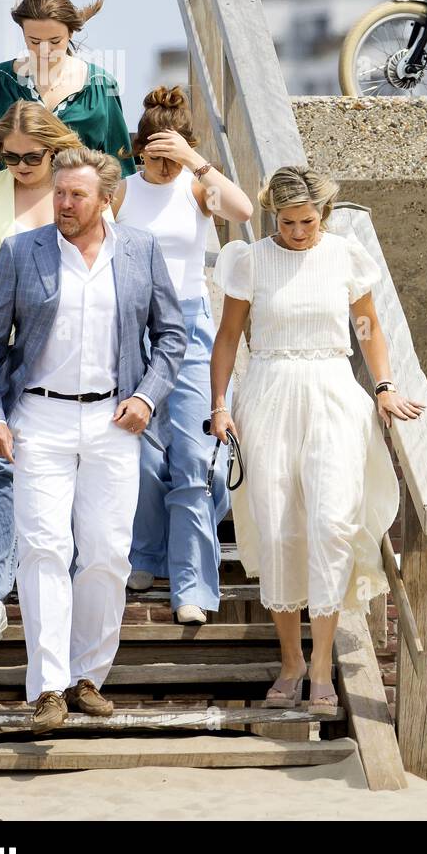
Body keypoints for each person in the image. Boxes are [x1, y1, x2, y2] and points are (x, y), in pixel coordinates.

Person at [0, 146, 186, 732]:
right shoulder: (22, 251)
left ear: (106, 199)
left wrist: (146, 396)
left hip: (115, 423)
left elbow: (172, 337)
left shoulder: (140, 251)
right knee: (43, 550)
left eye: (76, 195)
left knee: (108, 552)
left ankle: (89, 676)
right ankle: (49, 688)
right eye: (59, 192)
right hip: (38, 421)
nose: (63, 203)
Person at [210, 165, 424, 714]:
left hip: (332, 393)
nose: (298, 231)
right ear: (271, 215)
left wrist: (383, 386)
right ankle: (291, 662)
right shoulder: (252, 259)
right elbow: (229, 336)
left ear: (323, 216)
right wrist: (219, 405)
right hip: (268, 396)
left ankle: (324, 666)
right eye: (287, 221)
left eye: (307, 221)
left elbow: (369, 329)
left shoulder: (344, 255)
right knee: (280, 530)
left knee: (330, 525)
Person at [0, 102, 108, 647]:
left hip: (70, 356)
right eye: (7, 156)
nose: (17, 165)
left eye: (30, 156)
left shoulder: (77, 192)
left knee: (73, 478)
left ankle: (62, 597)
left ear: (55, 147)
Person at [112, 86, 253, 625]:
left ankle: (192, 583)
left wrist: (197, 162)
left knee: (194, 456)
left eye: (174, 154)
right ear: (139, 149)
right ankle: (145, 555)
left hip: (190, 324)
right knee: (144, 454)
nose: (165, 166)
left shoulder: (197, 190)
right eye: (157, 155)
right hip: (136, 326)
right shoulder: (122, 194)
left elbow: (242, 210)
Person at [0, 0, 135, 263]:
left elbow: (120, 161)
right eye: (33, 41)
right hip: (12, 210)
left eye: (55, 41)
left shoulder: (102, 84)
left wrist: (111, 224)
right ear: (22, 34)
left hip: (81, 209)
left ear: (71, 34)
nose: (44, 51)